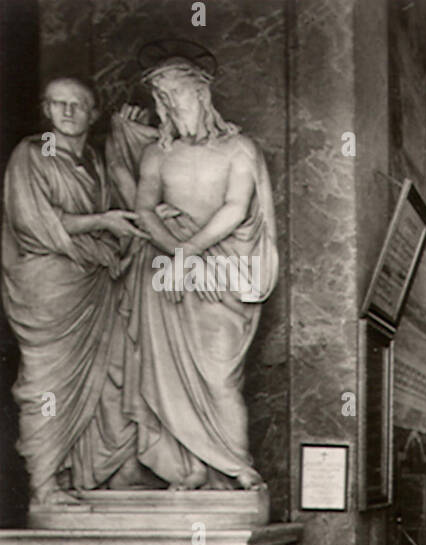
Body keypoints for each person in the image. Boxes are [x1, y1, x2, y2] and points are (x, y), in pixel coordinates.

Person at [108, 55, 278, 490]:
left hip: (220, 273)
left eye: (175, 93)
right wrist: (176, 250)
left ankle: (236, 464)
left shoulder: (239, 149)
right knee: (164, 373)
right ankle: (187, 467)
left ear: (202, 93)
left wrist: (191, 251)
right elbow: (144, 208)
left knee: (220, 374)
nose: (168, 103)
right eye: (160, 97)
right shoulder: (158, 153)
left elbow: (236, 208)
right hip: (166, 274)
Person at [1, 77, 145, 505]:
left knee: (111, 373)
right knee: (49, 384)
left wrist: (129, 135)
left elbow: (124, 208)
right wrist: (102, 223)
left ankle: (97, 471)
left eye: (77, 105)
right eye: (57, 104)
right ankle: (44, 486)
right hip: (50, 288)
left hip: (93, 282)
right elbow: (35, 223)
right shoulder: (33, 154)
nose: (66, 113)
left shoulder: (94, 161)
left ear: (93, 113)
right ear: (46, 110)